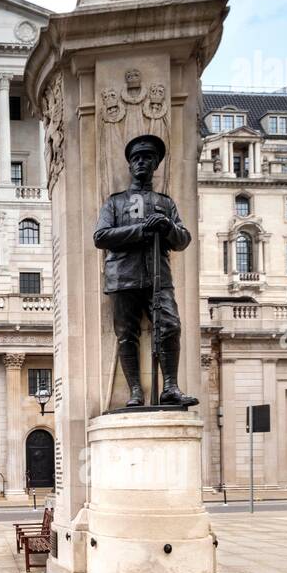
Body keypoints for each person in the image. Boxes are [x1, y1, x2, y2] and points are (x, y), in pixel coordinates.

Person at [92, 134, 198, 408]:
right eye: (136, 158)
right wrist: (142, 230)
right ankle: (136, 391)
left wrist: (167, 227)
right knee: (127, 334)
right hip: (122, 276)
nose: (141, 162)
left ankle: (171, 387)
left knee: (170, 326)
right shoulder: (114, 203)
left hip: (158, 276)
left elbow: (183, 240)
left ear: (155, 164)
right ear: (129, 165)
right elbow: (101, 236)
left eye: (147, 158)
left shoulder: (166, 203)